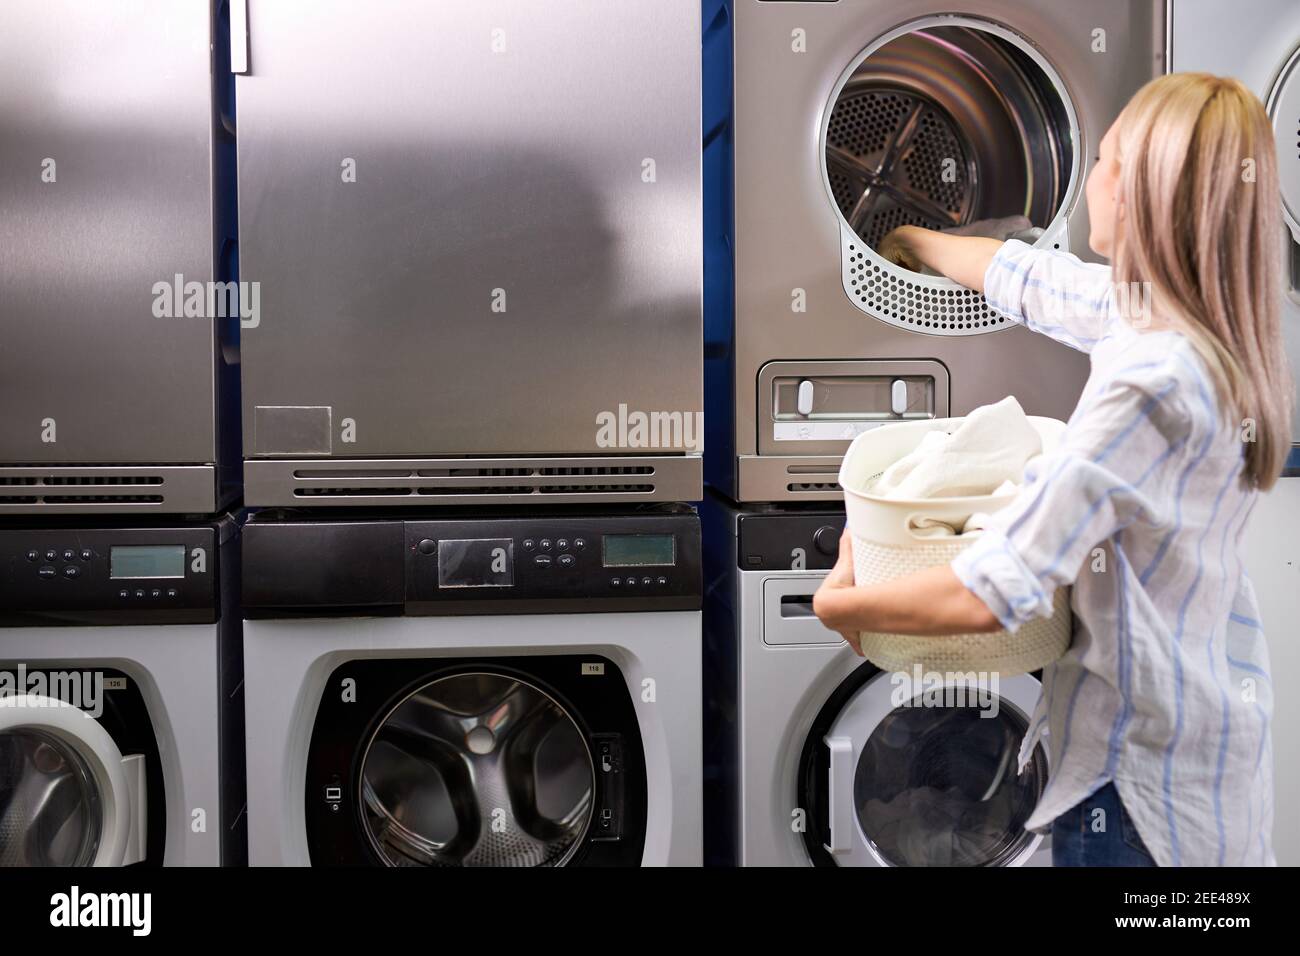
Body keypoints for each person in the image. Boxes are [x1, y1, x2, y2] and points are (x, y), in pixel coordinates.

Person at [813, 73, 1292, 867]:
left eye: (1104, 161)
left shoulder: (1152, 387)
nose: (1091, 180)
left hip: (1139, 796)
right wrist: (909, 240)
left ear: (1141, 195)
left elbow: (992, 591)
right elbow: (1034, 282)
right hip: (1207, 760)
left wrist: (846, 605)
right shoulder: (1179, 318)